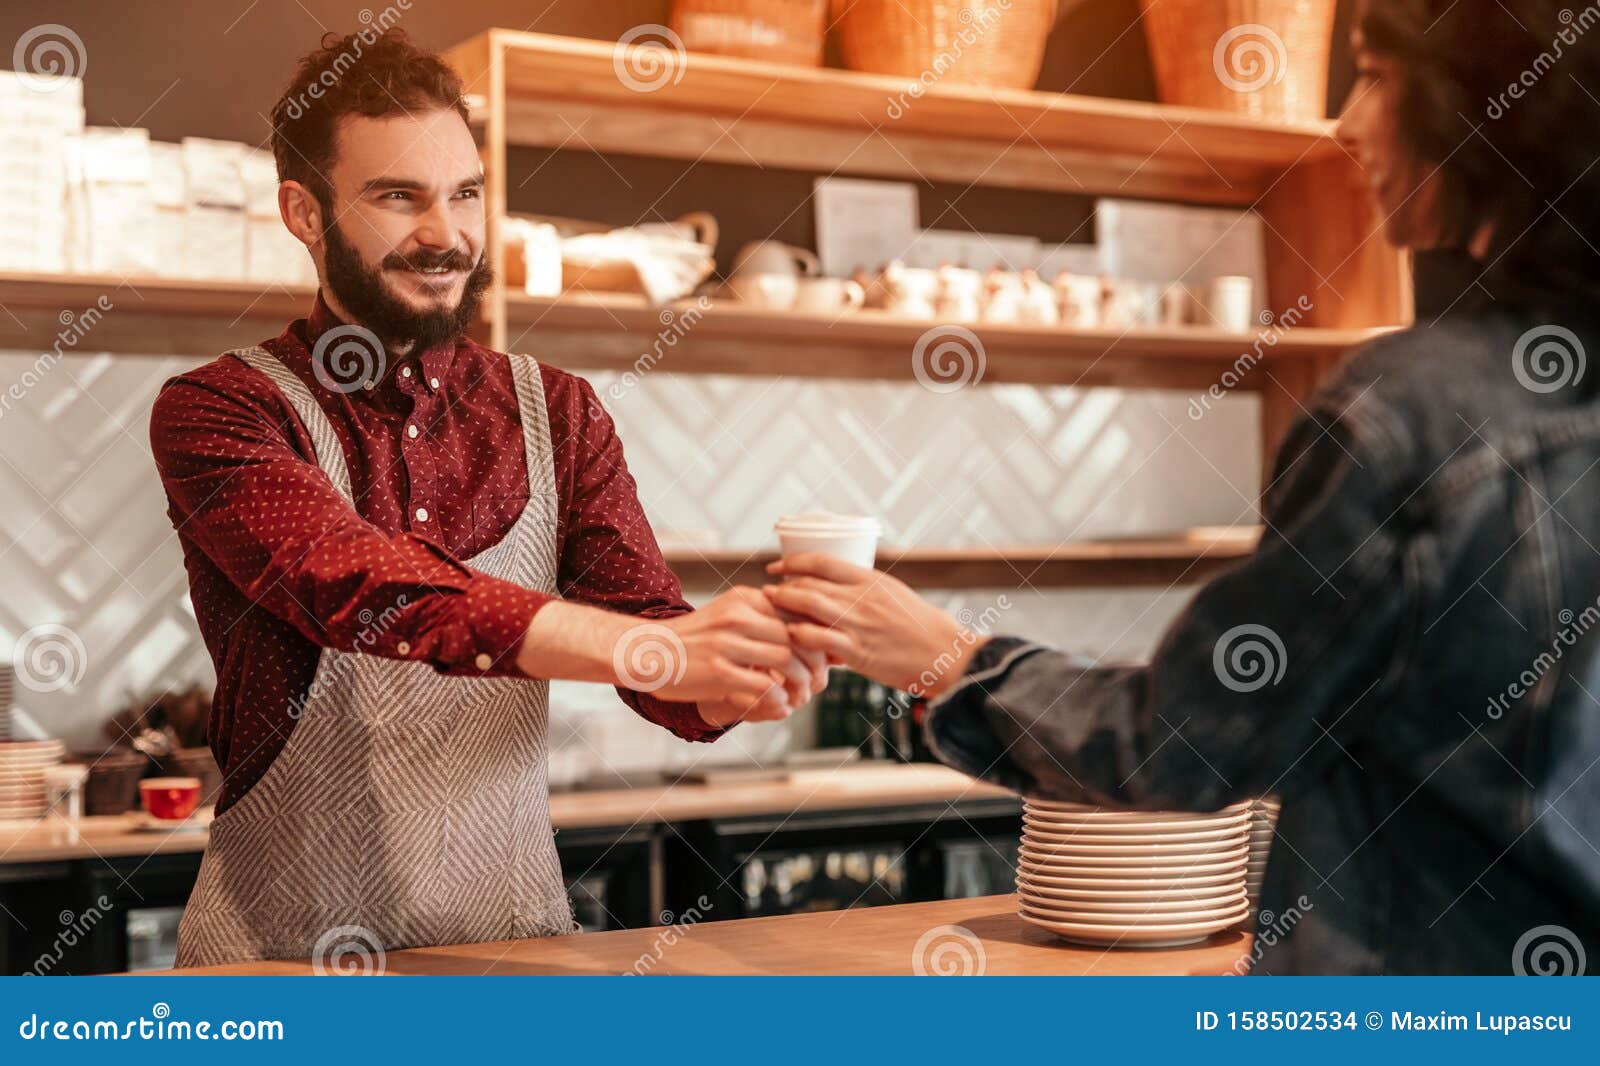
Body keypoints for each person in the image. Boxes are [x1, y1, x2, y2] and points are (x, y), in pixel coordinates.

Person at [768, 0, 1600, 974]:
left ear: (1486, 106)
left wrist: (948, 662)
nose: (1344, 121)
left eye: (1374, 75)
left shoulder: (1409, 416)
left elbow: (1191, 740)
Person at [151, 30, 823, 967]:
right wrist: (662, 648)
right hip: (280, 965)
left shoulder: (558, 412)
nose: (448, 235)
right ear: (304, 213)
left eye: (466, 194)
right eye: (399, 197)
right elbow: (359, 585)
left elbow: (656, 660)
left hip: (512, 955)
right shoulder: (224, 409)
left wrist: (737, 676)